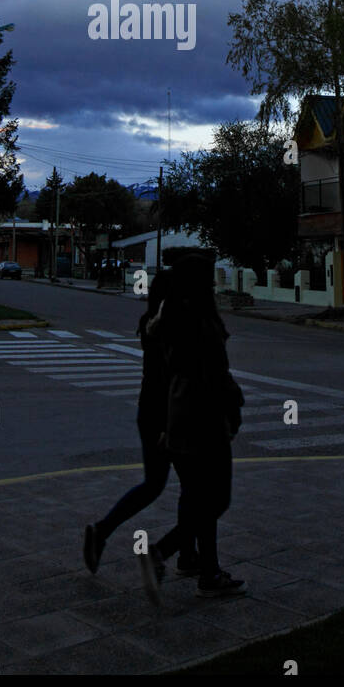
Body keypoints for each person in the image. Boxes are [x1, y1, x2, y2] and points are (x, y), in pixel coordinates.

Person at [84, 269, 198, 601]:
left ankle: (104, 532)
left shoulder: (151, 321)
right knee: (194, 490)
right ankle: (174, 554)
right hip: (165, 417)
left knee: (157, 485)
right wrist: (169, 426)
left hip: (149, 413)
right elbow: (169, 379)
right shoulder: (168, 326)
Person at [149, 251, 246, 597]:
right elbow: (217, 376)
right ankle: (162, 551)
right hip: (204, 418)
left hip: (177, 413)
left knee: (193, 493)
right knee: (216, 499)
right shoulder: (203, 322)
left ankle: (201, 566)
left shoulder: (170, 316)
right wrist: (234, 404)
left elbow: (162, 374)